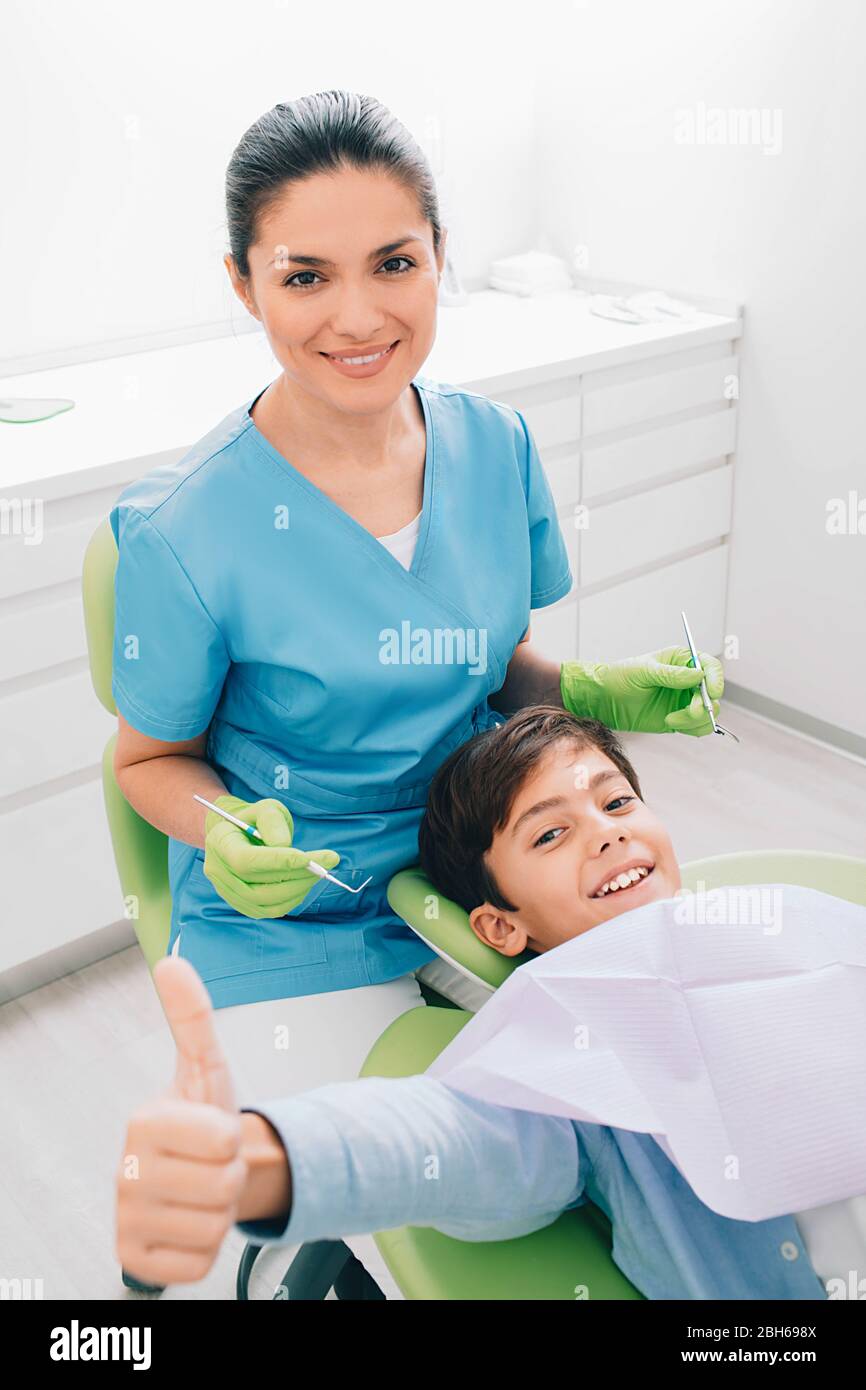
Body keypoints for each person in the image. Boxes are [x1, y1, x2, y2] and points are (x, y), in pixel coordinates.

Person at [110, 89, 723, 1296]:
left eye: (394, 262)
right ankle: (284, 1266)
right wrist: (226, 830)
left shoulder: (494, 447)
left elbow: (497, 673)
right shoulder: (190, 531)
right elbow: (147, 760)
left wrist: (597, 689)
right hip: (292, 920)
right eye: (303, 276)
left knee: (628, 1115)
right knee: (403, 1174)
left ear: (440, 256)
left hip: (472, 869)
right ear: (243, 284)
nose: (357, 315)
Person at [116, 706, 866, 1301]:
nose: (607, 834)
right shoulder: (574, 1051)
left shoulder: (779, 917)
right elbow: (450, 1144)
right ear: (502, 925)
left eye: (617, 801)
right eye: (551, 834)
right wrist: (265, 1159)